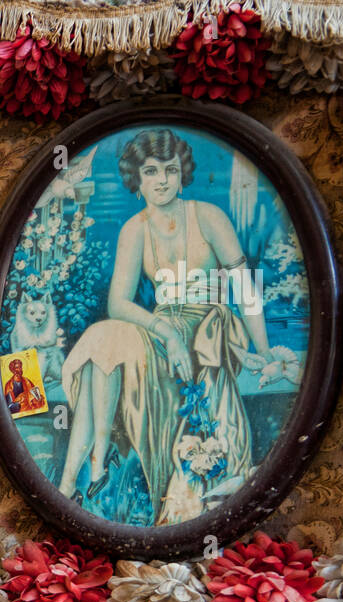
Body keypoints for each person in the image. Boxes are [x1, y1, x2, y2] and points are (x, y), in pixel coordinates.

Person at [57, 129, 288, 521]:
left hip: (206, 331)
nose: (161, 179)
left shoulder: (208, 217)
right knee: (102, 343)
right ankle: (78, 478)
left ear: (182, 174)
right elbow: (118, 303)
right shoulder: (134, 228)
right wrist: (164, 333)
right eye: (150, 171)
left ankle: (83, 477)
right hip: (160, 331)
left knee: (102, 347)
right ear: (137, 179)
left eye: (169, 169)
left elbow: (245, 289)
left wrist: (262, 352)